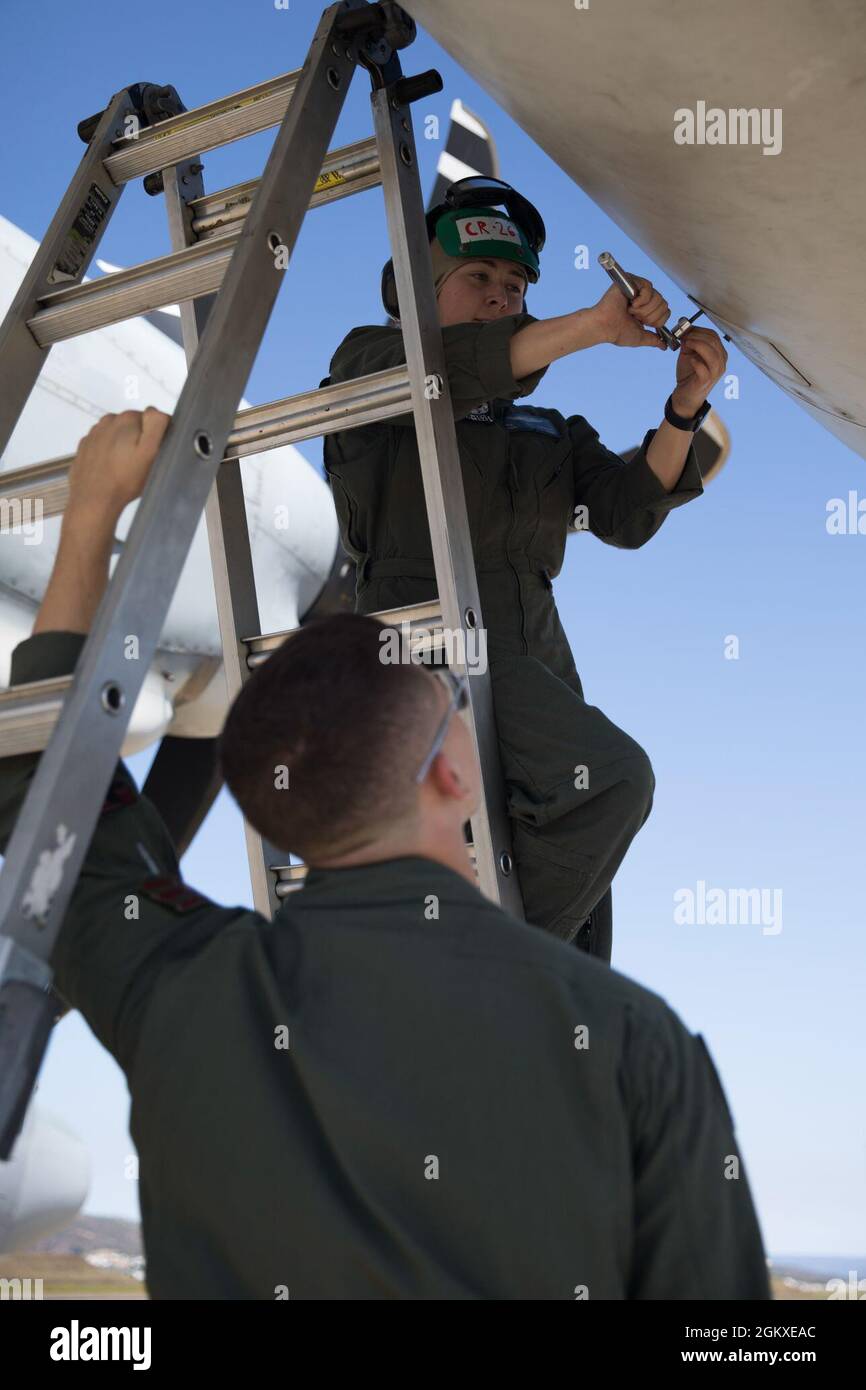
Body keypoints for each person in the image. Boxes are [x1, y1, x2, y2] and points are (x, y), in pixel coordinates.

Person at [0, 410, 769, 1300]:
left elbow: (44, 795)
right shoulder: (638, 1046)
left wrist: (90, 512)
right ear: (454, 771)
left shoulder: (181, 989)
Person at [322, 176, 728, 959]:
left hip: (535, 670)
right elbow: (449, 372)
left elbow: (625, 511)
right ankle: (485, 980)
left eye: (513, 286)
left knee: (582, 922)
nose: (499, 296)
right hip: (423, 651)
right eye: (478, 279)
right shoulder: (368, 366)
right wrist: (594, 326)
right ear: (417, 289)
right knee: (613, 781)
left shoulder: (547, 428)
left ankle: (518, 1021)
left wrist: (684, 405)